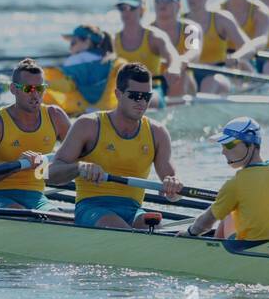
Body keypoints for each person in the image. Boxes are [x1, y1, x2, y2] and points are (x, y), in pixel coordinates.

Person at [49, 62, 183, 229]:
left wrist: (173, 186)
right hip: (92, 208)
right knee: (121, 230)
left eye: (146, 96)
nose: (141, 102)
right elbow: (52, 173)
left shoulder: (158, 133)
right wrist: (79, 167)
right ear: (118, 94)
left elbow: (175, 195)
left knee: (159, 231)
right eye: (135, 96)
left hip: (134, 211)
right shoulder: (88, 125)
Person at [0, 58, 72, 210]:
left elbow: (77, 159)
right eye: (28, 89)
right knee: (20, 213)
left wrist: (47, 167)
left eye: (40, 88)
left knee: (60, 220)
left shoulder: (56, 116)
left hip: (36, 196)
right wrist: (15, 166)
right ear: (13, 89)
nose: (35, 95)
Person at [182, 117, 269, 242]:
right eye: (222, 145)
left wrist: (189, 233)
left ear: (250, 145)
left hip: (249, 250)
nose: (223, 151)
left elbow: (204, 224)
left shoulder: (236, 184)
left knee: (228, 214)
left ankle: (215, 253)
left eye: (228, 144)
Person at [181, 0, 256, 94]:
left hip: (219, 74)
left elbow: (249, 47)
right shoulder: (180, 21)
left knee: (210, 81)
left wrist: (237, 57)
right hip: (190, 75)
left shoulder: (221, 19)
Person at [111, 0, 185, 99]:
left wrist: (173, 68)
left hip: (151, 90)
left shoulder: (154, 36)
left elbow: (173, 57)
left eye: (131, 8)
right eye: (122, 8)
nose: (126, 12)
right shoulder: (113, 40)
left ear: (142, 10)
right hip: (122, 94)